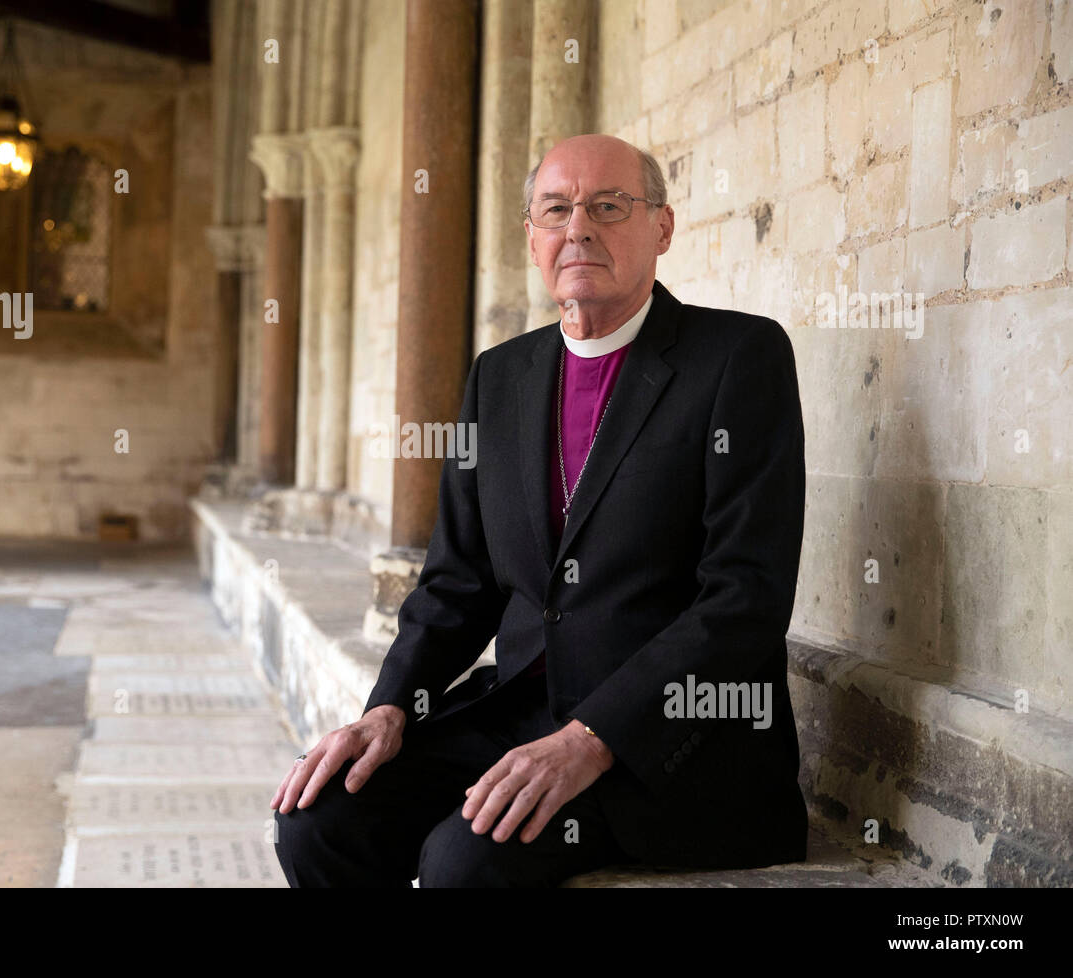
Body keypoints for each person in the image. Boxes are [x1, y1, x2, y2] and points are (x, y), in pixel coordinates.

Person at [271, 133, 808, 887]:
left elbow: (745, 598)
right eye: (556, 209)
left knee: (463, 863)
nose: (578, 227)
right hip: (518, 716)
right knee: (317, 822)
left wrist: (593, 737)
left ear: (662, 227)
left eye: (608, 206)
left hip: (669, 744)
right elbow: (457, 584)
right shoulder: (501, 378)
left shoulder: (737, 358)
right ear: (532, 239)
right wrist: (389, 709)